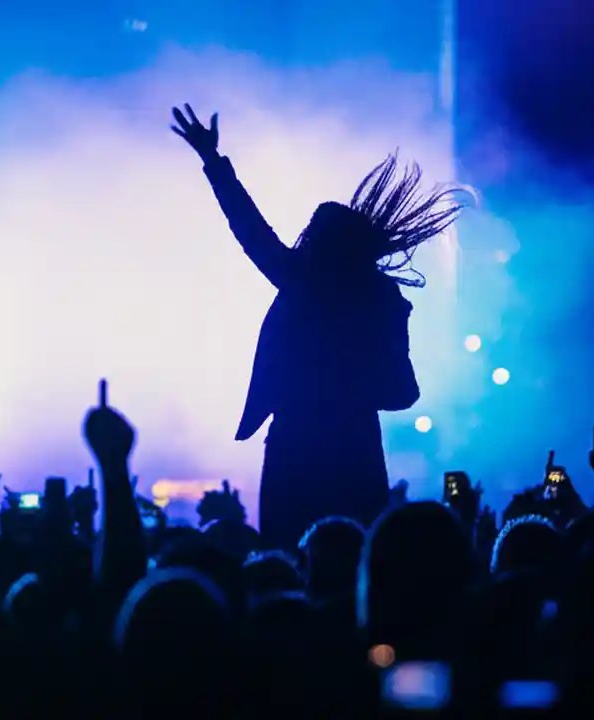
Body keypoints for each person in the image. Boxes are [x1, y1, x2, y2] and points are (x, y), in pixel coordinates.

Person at [171, 104, 463, 549]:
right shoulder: (381, 301)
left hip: (297, 441)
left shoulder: (303, 283)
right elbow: (403, 393)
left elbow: (251, 231)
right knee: (354, 554)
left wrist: (213, 162)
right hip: (355, 445)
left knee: (289, 554)